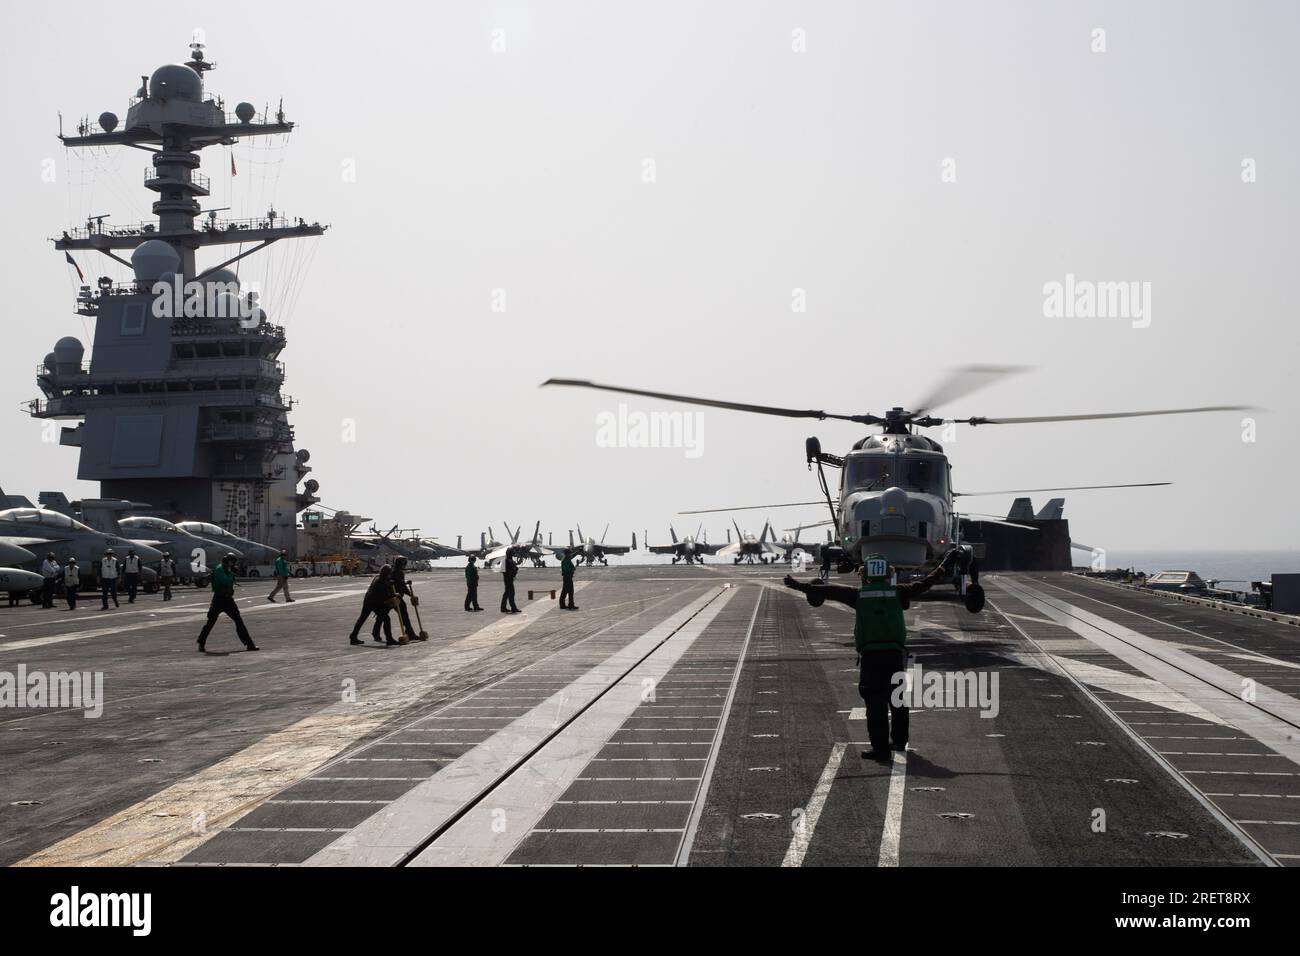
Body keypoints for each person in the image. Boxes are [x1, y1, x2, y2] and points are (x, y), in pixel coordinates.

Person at [784, 550, 958, 762]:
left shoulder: (858, 595)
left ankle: (880, 749)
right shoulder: (898, 592)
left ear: (865, 574)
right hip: (894, 656)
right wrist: (945, 563)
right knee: (898, 700)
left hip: (871, 657)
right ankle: (900, 741)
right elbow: (926, 582)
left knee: (875, 705)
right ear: (888, 574)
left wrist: (797, 585)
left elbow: (827, 591)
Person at [197, 553, 258, 652]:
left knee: (238, 621)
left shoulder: (226, 569)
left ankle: (249, 644)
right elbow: (225, 582)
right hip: (219, 599)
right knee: (211, 622)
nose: (234, 564)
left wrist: (231, 572)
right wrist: (232, 573)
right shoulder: (220, 569)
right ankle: (201, 642)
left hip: (228, 599)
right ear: (228, 561)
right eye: (232, 562)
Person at [348, 565, 399, 646]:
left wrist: (390, 583)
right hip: (374, 602)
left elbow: (386, 584)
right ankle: (389, 639)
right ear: (386, 573)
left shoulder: (378, 577)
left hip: (368, 599)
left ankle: (353, 636)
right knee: (386, 618)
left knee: (362, 618)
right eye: (389, 573)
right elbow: (384, 595)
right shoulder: (380, 581)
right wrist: (394, 595)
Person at [390, 556, 424, 641]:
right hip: (394, 597)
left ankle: (409, 632)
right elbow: (400, 584)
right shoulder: (395, 572)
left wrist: (410, 594)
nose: (405, 565)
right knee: (404, 615)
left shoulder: (398, 572)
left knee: (383, 616)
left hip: (396, 596)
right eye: (404, 563)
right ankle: (410, 634)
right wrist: (407, 587)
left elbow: (403, 586)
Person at [500, 549, 520, 614]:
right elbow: (503, 571)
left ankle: (503, 608)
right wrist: (512, 572)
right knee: (511, 593)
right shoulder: (507, 561)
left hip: (509, 579)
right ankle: (513, 608)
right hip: (508, 579)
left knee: (506, 593)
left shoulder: (509, 561)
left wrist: (514, 570)